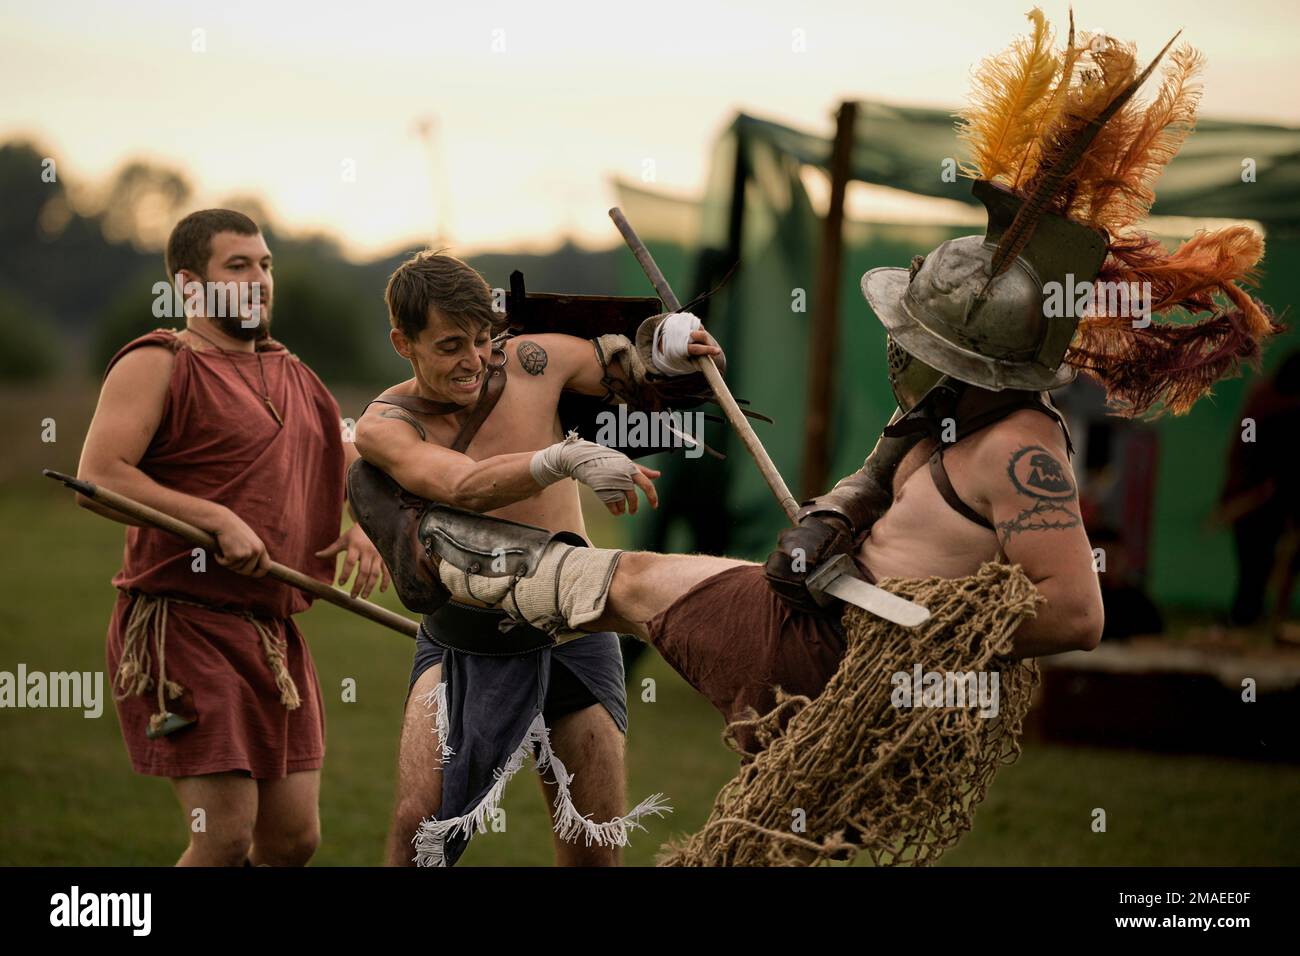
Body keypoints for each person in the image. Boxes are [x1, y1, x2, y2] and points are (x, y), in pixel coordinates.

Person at [353, 14, 1280, 764]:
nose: (901, 352)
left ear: (963, 352)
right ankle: (478, 579)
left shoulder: (1019, 448)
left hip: (843, 650)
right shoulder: (947, 414)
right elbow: (876, 478)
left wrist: (922, 632)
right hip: (816, 616)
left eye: (917, 336)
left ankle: (465, 569)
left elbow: (1078, 613)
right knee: (674, 581)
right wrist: (829, 523)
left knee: (628, 579)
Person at [348, 250, 726, 866]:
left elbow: (628, 366)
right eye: (448, 346)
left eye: (481, 339)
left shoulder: (531, 360)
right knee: (420, 832)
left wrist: (673, 344)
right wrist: (565, 458)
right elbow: (462, 485)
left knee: (594, 847)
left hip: (573, 631)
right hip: (464, 638)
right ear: (402, 343)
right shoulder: (386, 424)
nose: (472, 361)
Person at [76, 209, 389, 866]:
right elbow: (98, 475)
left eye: (266, 265)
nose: (259, 279)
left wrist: (364, 524)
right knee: (222, 836)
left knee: (291, 841)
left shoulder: (297, 378)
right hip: (181, 628)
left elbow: (354, 467)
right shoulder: (160, 362)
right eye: (238, 266)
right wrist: (213, 520)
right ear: (191, 285)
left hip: (272, 637)